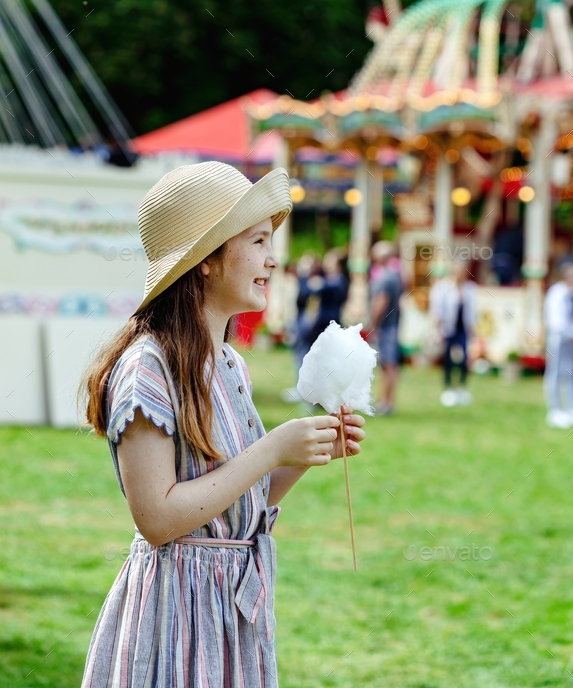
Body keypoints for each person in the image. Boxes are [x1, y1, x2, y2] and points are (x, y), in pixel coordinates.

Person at [80, 161, 366, 688]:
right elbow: (158, 518)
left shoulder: (229, 365)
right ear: (207, 259)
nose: (273, 260)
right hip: (175, 614)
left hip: (231, 612)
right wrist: (271, 450)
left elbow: (237, 497)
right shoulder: (147, 368)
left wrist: (304, 451)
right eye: (257, 241)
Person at [544, 260, 573, 428]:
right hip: (560, 338)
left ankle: (572, 408)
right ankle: (555, 409)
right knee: (555, 372)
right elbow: (556, 320)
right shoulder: (556, 293)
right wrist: (572, 332)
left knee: (572, 374)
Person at [429, 261, 477, 407]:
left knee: (464, 359)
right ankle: (448, 387)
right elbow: (437, 310)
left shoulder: (470, 289)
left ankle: (462, 387)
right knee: (448, 359)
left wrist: (474, 328)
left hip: (463, 329)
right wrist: (437, 329)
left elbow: (474, 311)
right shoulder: (443, 288)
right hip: (448, 329)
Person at [369, 240, 404, 415]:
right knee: (387, 366)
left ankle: (387, 403)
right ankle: (385, 400)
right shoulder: (396, 275)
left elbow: (380, 303)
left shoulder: (386, 277)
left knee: (389, 366)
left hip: (385, 327)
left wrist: (373, 325)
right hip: (392, 325)